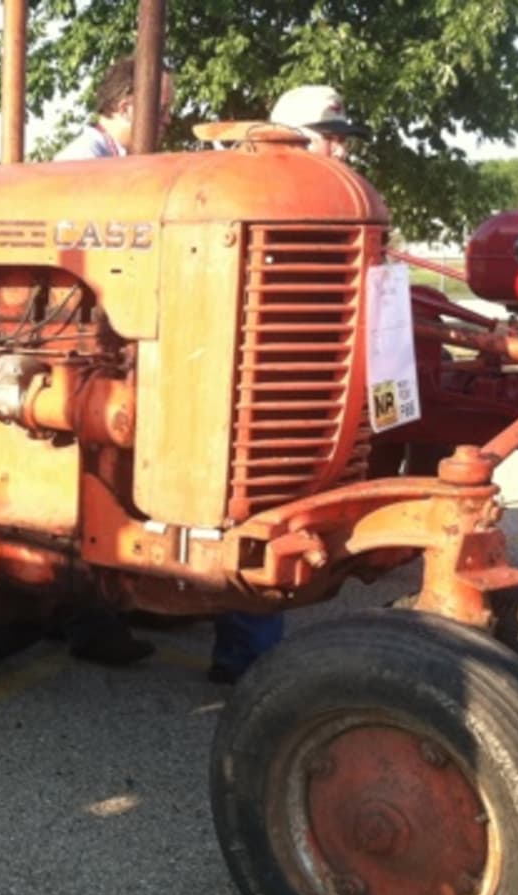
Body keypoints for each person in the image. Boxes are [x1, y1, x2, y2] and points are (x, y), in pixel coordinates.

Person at [207, 85, 369, 684]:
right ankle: (246, 658)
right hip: (259, 392)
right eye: (332, 138)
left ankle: (248, 649)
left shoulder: (330, 202)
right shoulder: (258, 194)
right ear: (292, 134)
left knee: (291, 502)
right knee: (261, 508)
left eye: (344, 141)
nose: (342, 153)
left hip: (310, 388)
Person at [50, 54, 177, 665]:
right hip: (82, 339)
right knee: (93, 467)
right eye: (163, 110)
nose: (168, 122)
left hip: (116, 338)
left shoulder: (122, 166)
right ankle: (90, 619)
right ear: (128, 106)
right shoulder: (86, 166)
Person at [54, 56, 175, 161]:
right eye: (160, 111)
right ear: (125, 109)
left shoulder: (114, 157)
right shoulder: (82, 159)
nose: (168, 120)